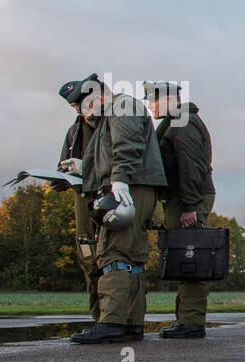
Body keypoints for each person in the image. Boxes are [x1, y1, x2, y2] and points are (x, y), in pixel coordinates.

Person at [58, 75, 166, 344]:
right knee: (132, 255)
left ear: (94, 97)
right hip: (135, 184)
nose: (81, 113)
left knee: (114, 251)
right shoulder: (113, 115)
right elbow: (110, 155)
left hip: (129, 185)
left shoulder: (121, 107)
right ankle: (129, 324)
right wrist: (82, 168)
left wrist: (119, 180)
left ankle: (112, 322)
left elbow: (127, 146)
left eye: (80, 106)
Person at [145, 81, 216, 339]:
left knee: (192, 259)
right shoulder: (176, 121)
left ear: (167, 99)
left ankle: (192, 322)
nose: (150, 106)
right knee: (184, 259)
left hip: (189, 199)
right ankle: (185, 320)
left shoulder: (183, 122)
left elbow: (192, 166)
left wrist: (189, 206)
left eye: (152, 100)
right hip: (182, 199)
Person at [53, 88, 101, 326]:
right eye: (76, 108)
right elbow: (63, 163)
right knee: (87, 256)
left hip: (110, 195)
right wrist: (59, 178)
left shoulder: (113, 126)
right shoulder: (74, 132)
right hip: (82, 198)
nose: (82, 111)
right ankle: (98, 318)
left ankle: (119, 318)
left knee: (116, 257)